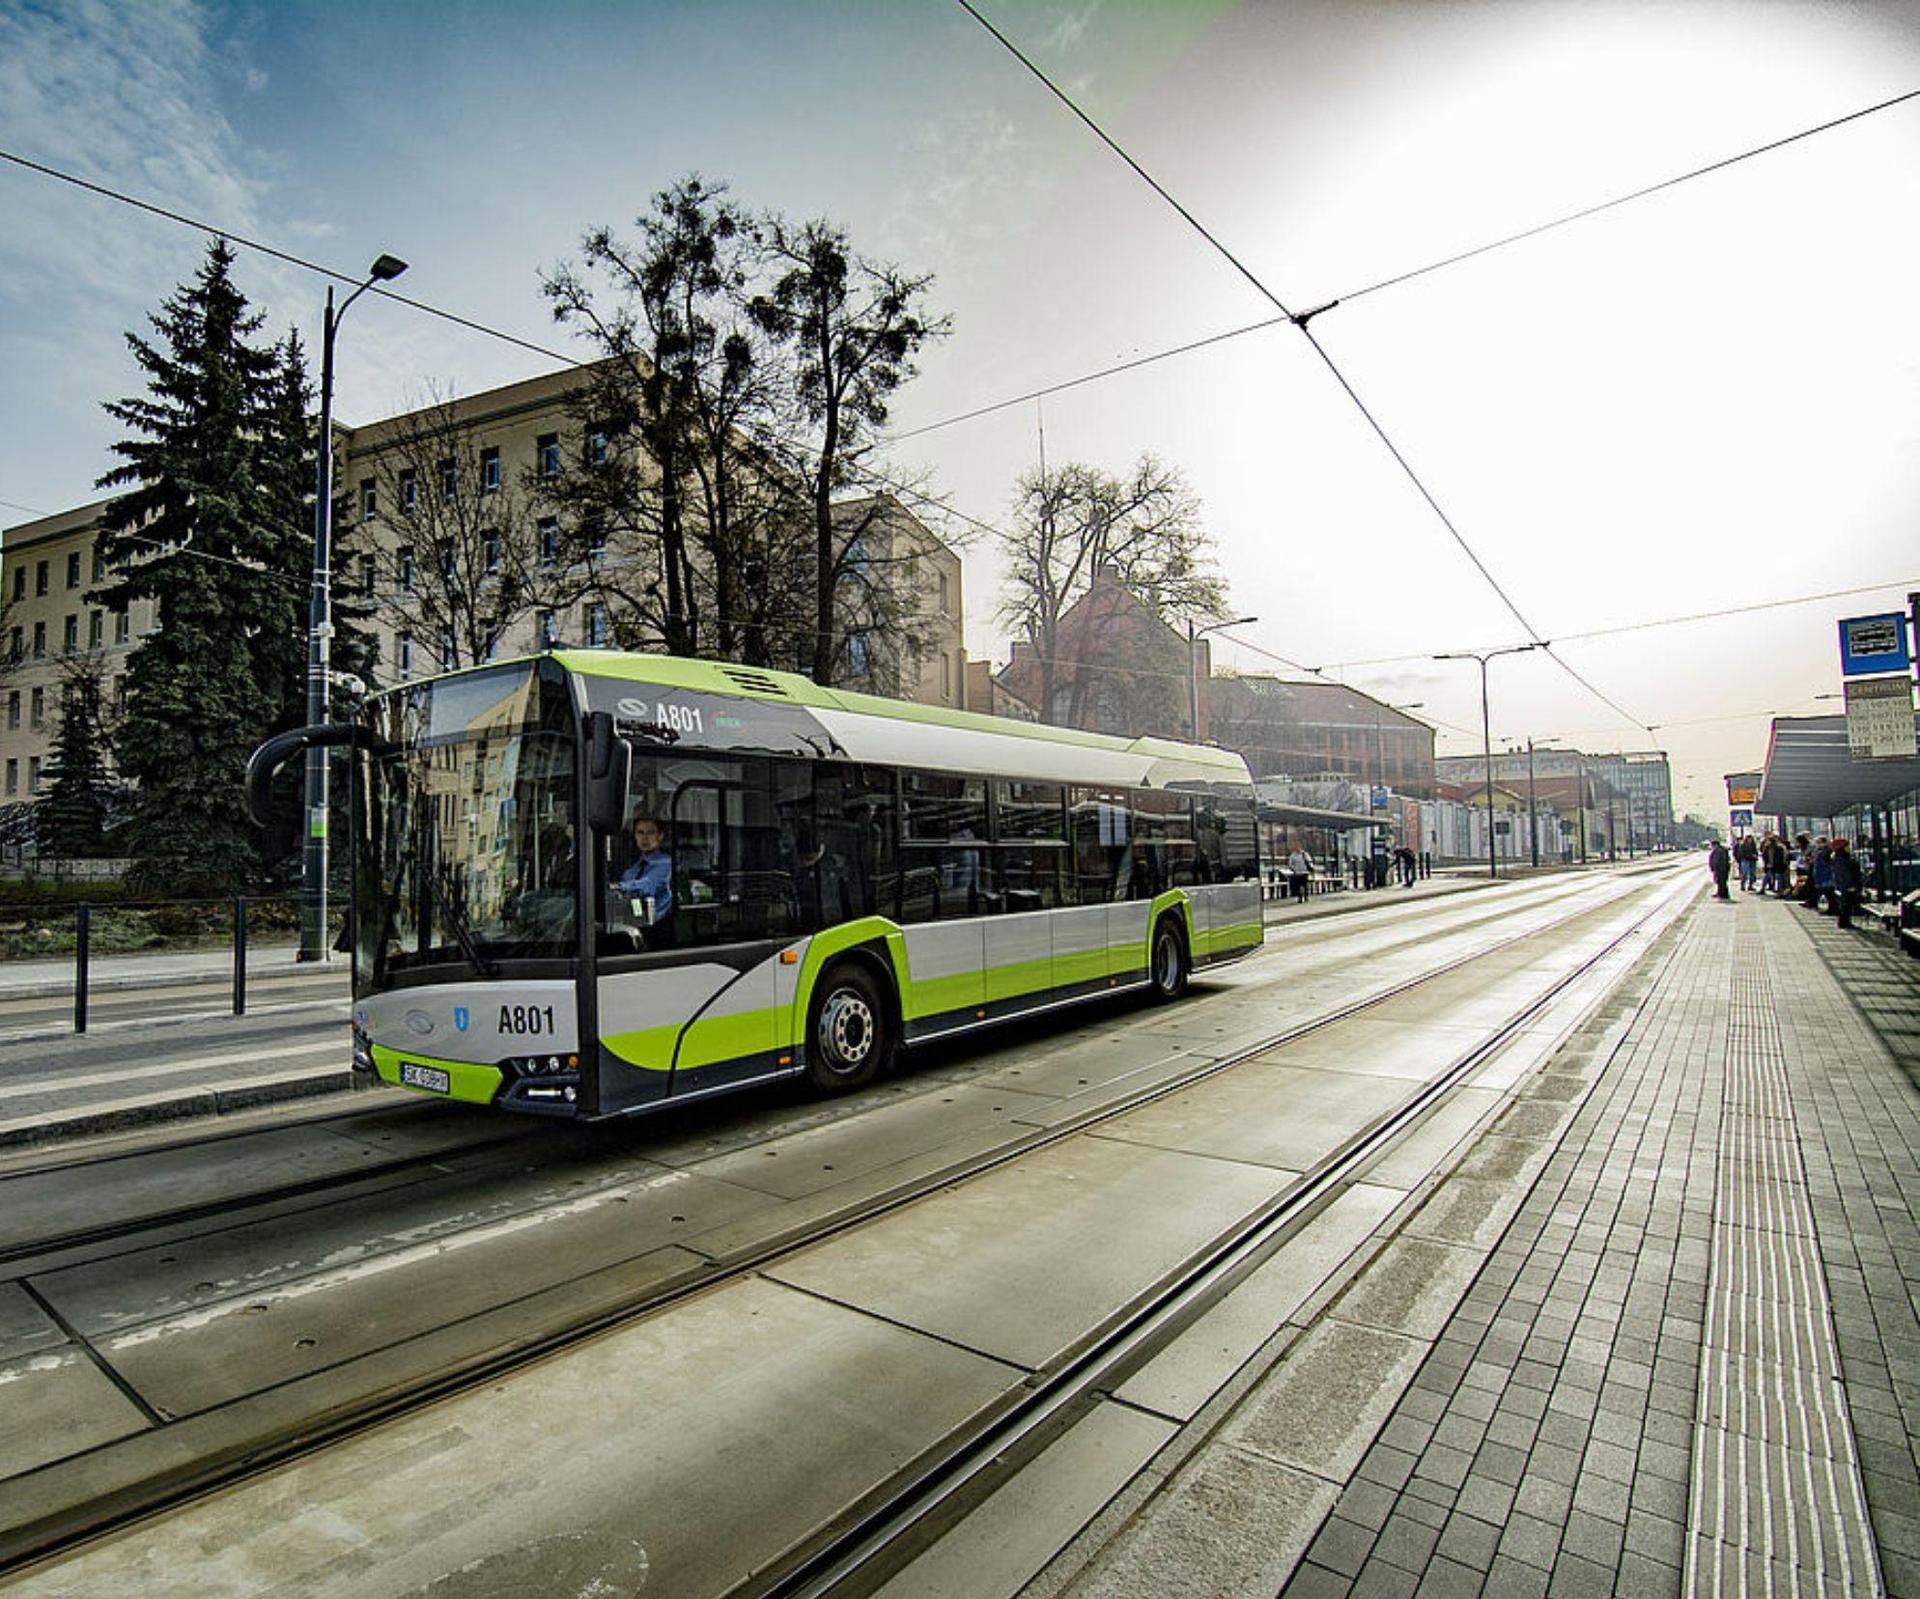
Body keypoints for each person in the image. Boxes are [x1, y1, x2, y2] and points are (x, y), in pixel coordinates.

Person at [618, 814, 674, 925]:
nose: (645, 838)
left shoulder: (667, 863)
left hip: (660, 928)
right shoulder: (631, 871)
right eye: (640, 832)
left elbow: (648, 885)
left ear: (660, 836)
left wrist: (619, 887)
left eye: (650, 833)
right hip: (634, 924)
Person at [1829, 836, 1861, 928]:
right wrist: (1850, 885)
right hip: (1848, 885)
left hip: (1845, 885)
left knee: (1846, 904)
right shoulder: (1842, 859)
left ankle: (1844, 922)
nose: (1849, 848)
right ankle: (1844, 922)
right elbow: (1845, 874)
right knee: (1846, 904)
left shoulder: (1839, 857)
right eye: (1847, 846)